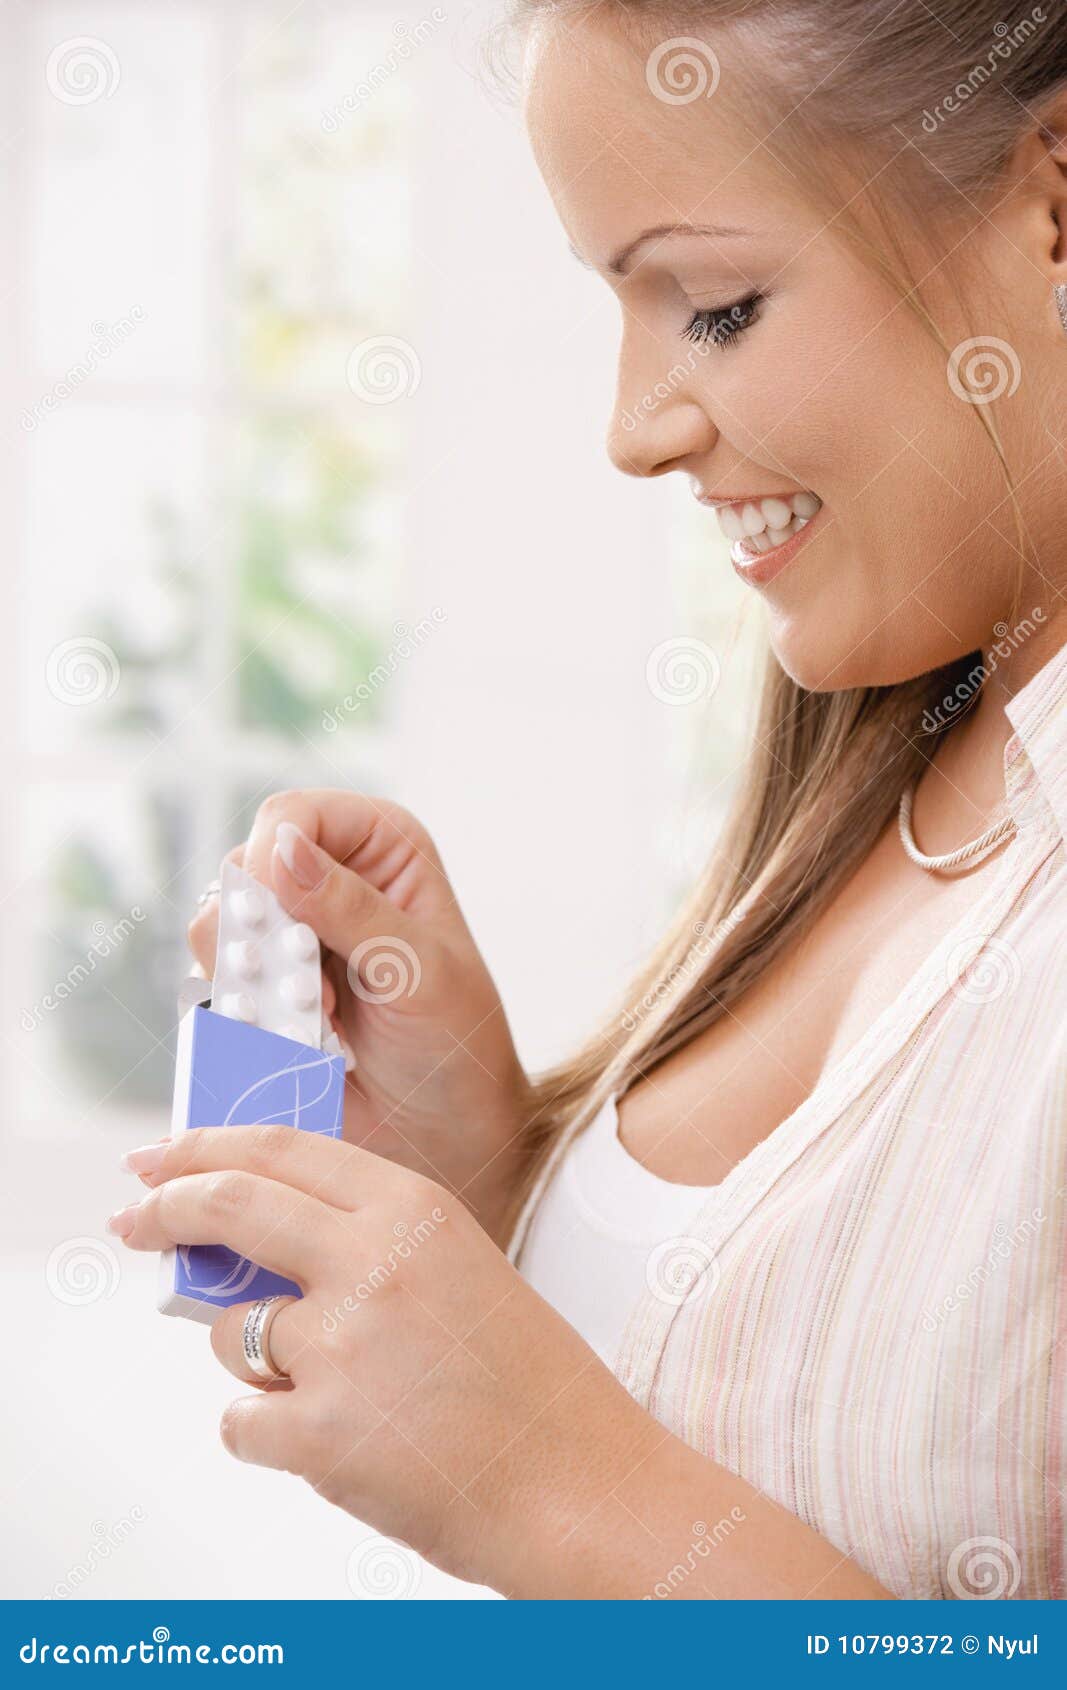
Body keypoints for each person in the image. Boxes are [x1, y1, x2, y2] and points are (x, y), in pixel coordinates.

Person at [108, 1, 1067, 1599]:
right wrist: (496, 1181)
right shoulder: (897, 749)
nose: (634, 432)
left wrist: (546, 1482)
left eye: (715, 303)